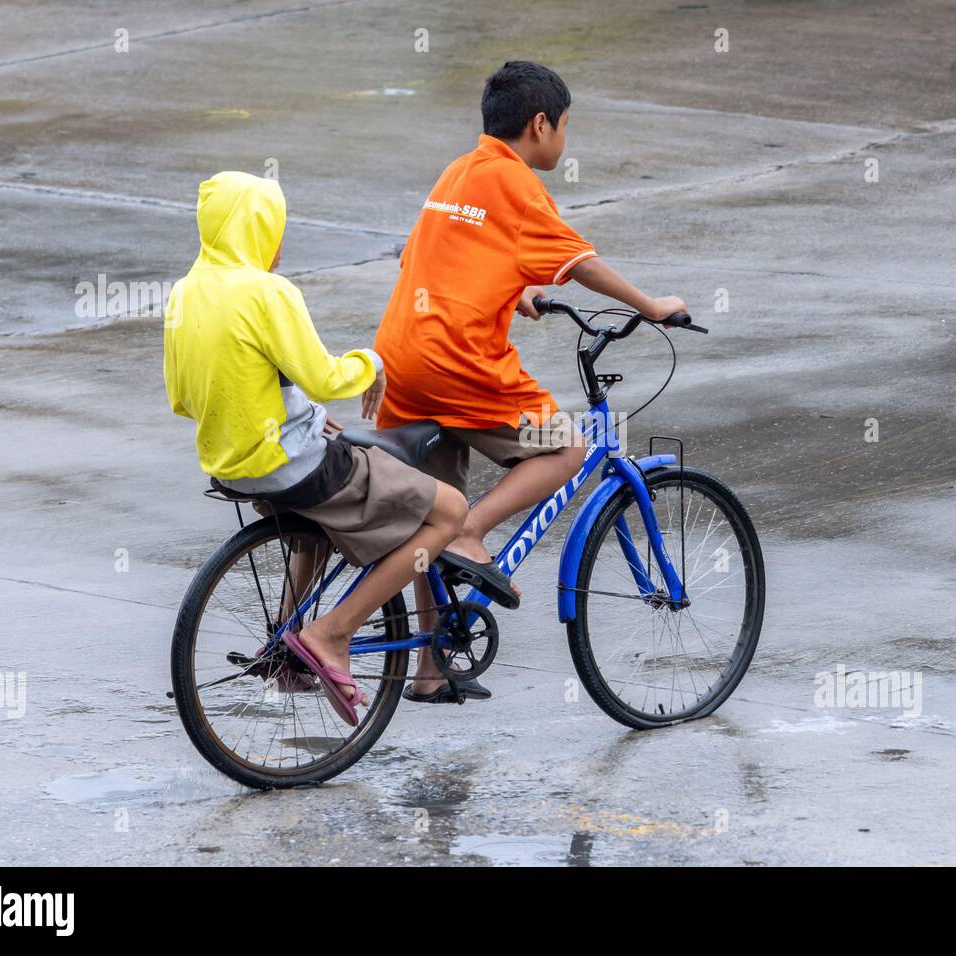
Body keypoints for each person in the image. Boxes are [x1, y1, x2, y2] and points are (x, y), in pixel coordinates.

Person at [373, 61, 687, 703]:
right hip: (457, 363)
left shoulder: (458, 172)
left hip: (400, 361)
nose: (564, 139)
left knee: (428, 512)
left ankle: (430, 672)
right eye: (565, 126)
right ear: (540, 124)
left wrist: (511, 293)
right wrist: (651, 305)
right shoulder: (516, 184)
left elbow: (424, 254)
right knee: (568, 447)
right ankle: (473, 531)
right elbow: (580, 264)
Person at [164, 170, 467, 725]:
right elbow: (329, 378)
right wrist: (372, 363)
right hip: (291, 466)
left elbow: (185, 398)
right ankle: (332, 633)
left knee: (318, 523)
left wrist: (286, 407)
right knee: (450, 510)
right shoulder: (267, 292)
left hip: (232, 466)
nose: (279, 243)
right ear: (255, 229)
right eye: (274, 227)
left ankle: (288, 646)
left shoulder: (187, 292)